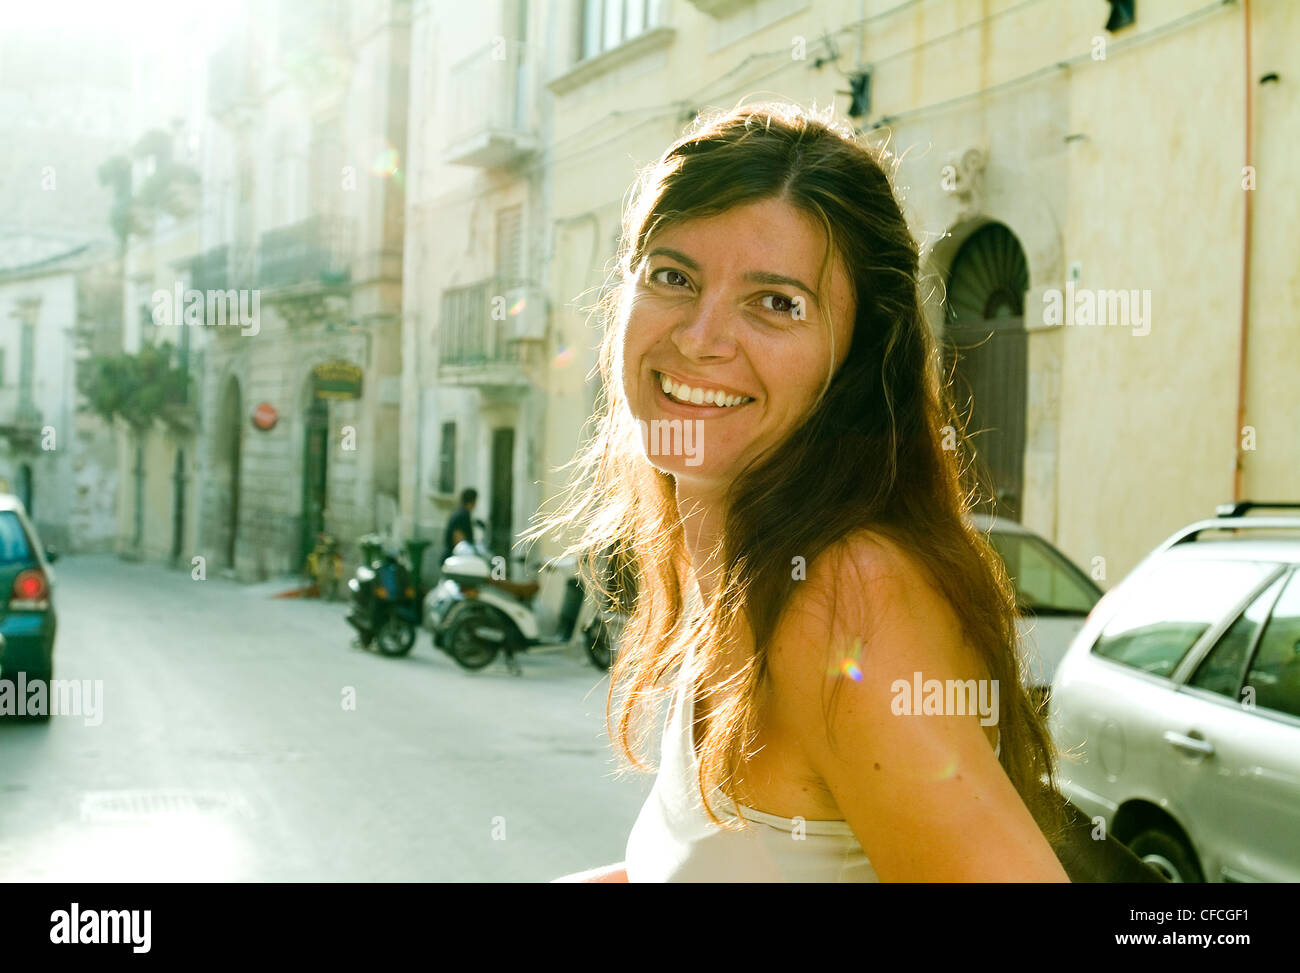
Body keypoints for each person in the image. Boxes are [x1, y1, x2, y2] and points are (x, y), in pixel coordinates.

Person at [533, 101, 1074, 882]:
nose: (699, 337)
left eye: (776, 302)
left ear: (856, 358)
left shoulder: (844, 596)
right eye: (672, 276)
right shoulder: (736, 570)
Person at [441, 488, 477, 564]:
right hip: (454, 558)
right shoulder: (463, 515)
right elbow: (458, 539)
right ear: (473, 501)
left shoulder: (458, 511)